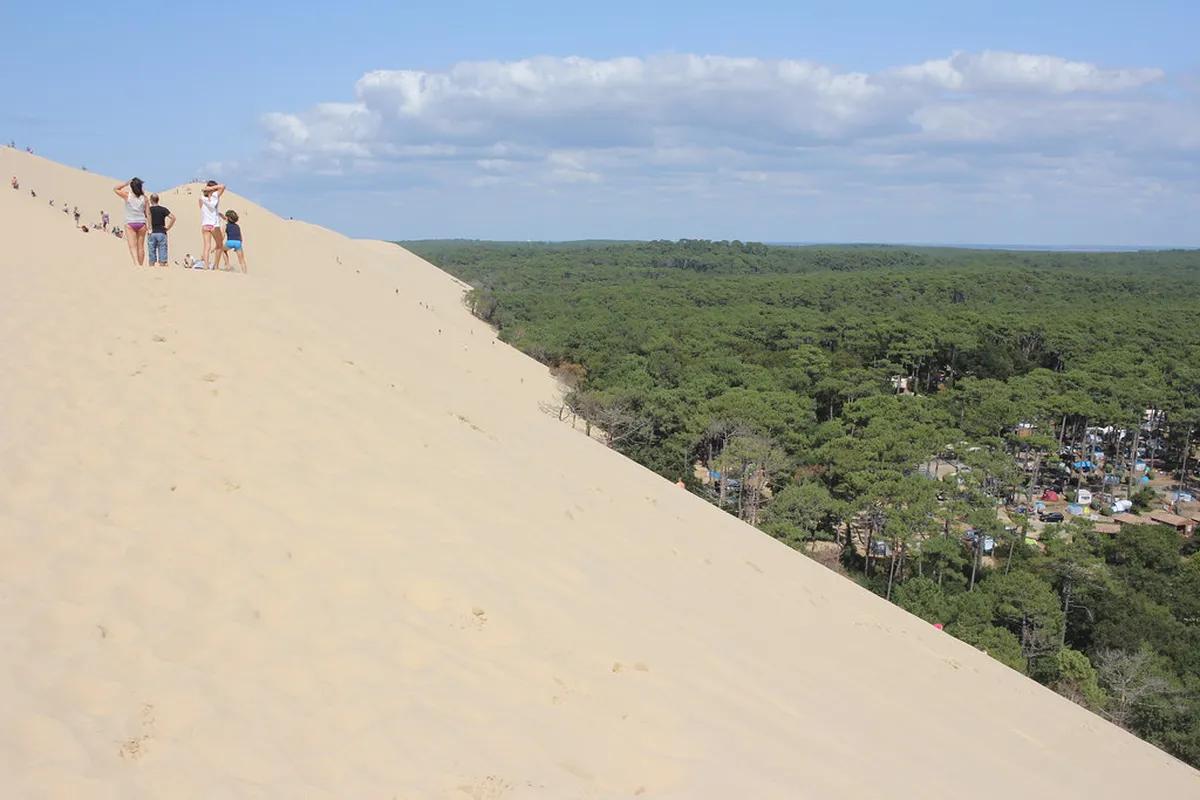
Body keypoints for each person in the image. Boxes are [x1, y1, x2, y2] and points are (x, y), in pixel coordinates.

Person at [113, 177, 149, 266]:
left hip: (130, 223)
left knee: (133, 246)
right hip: (141, 223)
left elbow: (115, 189)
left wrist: (126, 183)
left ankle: (136, 264)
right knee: (141, 246)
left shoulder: (127, 195)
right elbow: (148, 213)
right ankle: (140, 264)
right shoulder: (144, 198)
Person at [199, 180, 225, 267]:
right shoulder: (215, 196)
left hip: (205, 225)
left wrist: (207, 189)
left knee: (206, 246)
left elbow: (202, 209)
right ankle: (216, 266)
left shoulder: (201, 198)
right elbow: (223, 186)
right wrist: (212, 189)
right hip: (214, 224)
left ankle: (206, 266)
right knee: (220, 245)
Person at [147, 193, 176, 267]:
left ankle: (151, 268)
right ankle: (162, 268)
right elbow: (173, 218)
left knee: (151, 251)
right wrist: (167, 228)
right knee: (162, 251)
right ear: (158, 200)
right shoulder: (163, 209)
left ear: (151, 200)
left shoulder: (148, 210)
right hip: (161, 232)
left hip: (152, 232)